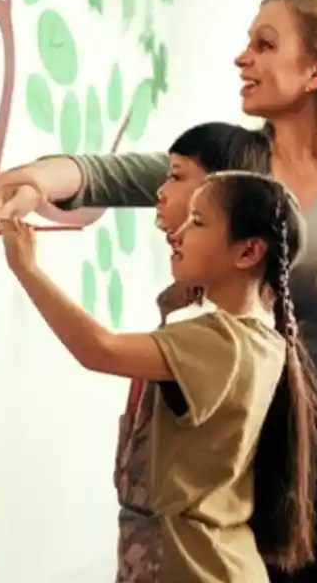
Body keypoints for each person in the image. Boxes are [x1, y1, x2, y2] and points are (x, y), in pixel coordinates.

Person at [0, 0, 317, 581]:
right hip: (232, 461)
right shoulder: (237, 167)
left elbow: (98, 348)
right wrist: (29, 182)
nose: (242, 58)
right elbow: (107, 174)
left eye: (264, 44)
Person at [0, 171, 317, 581]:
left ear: (247, 252)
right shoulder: (256, 337)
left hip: (193, 565)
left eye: (197, 222)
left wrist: (27, 268)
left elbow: (99, 348)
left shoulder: (219, 340)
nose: (177, 233)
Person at [115, 122, 272, 582]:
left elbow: (97, 349)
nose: (161, 193)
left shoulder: (221, 319)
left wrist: (25, 265)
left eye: (177, 177)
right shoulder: (187, 298)